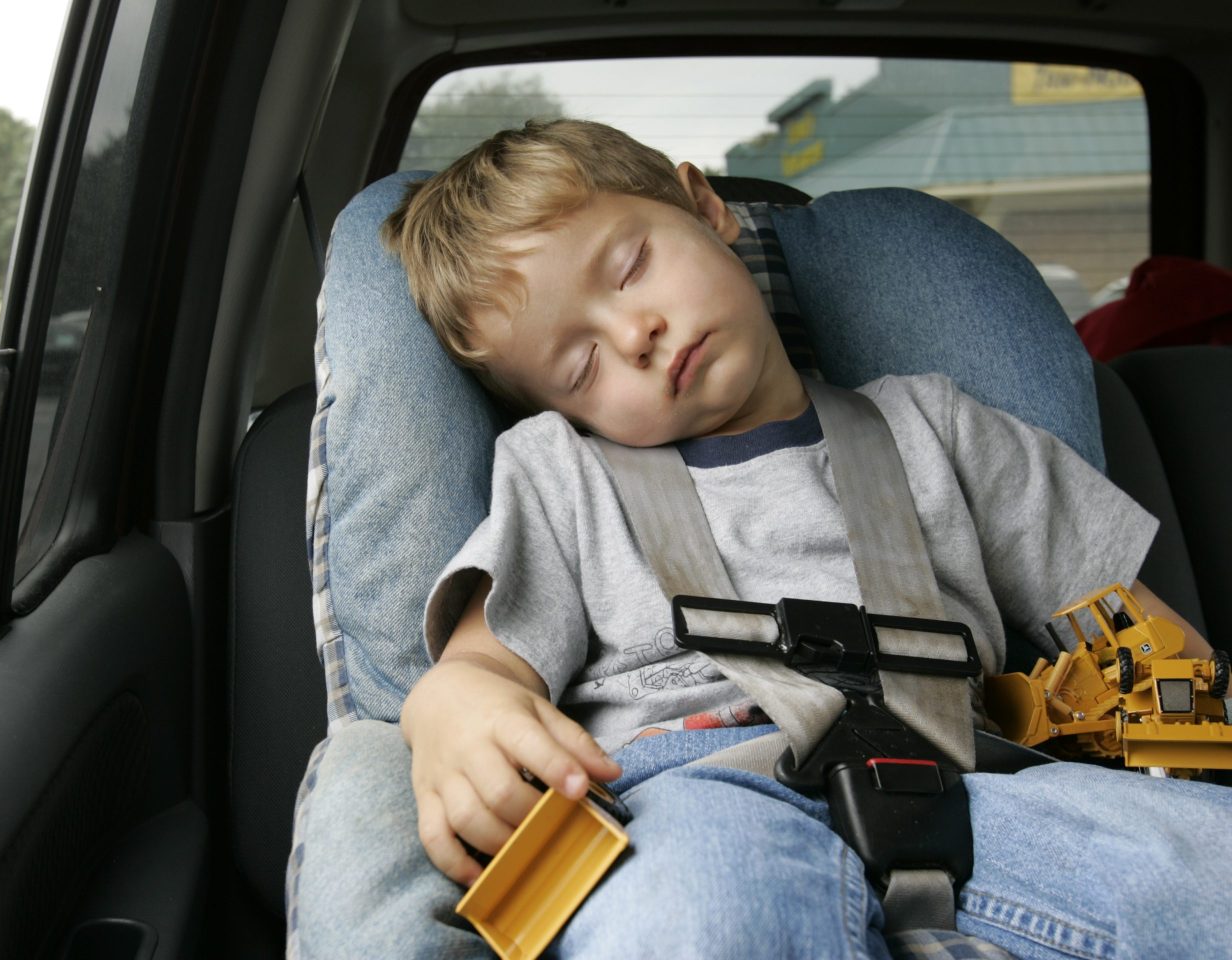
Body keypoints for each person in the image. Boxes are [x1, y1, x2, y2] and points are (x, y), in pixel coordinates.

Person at [292, 119, 1230, 960]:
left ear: (704, 207)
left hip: (975, 789)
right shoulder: (560, 475)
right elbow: (480, 671)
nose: (637, 333)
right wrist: (448, 714)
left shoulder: (944, 428)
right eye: (580, 364)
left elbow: (1129, 631)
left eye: (630, 268)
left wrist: (1189, 728)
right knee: (699, 909)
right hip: (699, 796)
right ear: (556, 408)